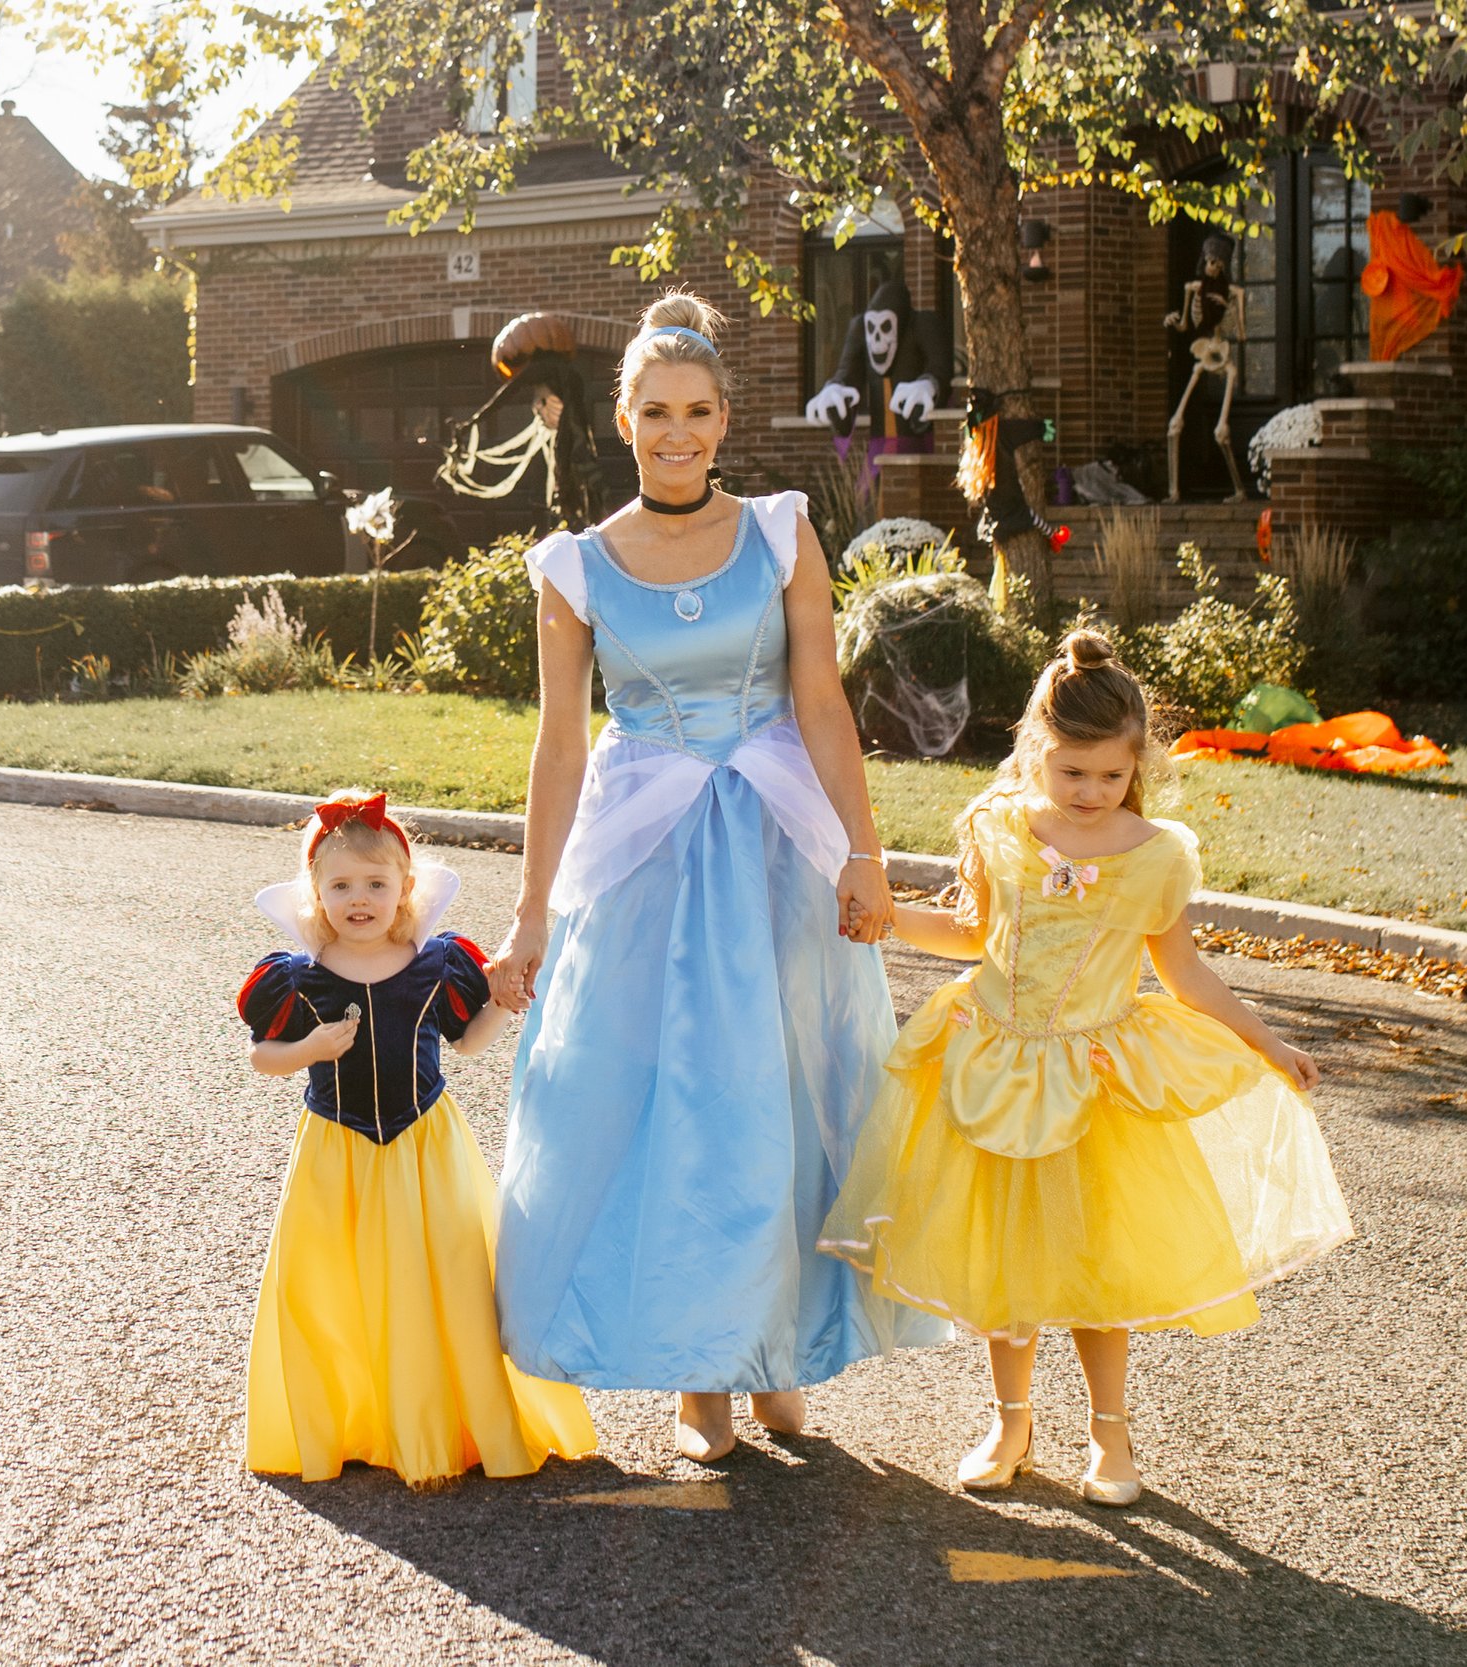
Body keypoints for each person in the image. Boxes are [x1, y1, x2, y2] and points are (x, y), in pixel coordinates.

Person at [489, 292, 947, 1464]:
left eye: (697, 411)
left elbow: (821, 699)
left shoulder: (782, 531)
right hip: (643, 851)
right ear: (624, 417)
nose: (677, 432)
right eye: (655, 413)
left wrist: (863, 848)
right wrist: (532, 912)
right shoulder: (576, 567)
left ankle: (779, 1346)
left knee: (788, 1095)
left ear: (725, 416)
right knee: (672, 1102)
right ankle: (701, 1374)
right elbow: (556, 744)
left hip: (772, 842)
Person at [819, 634, 1353, 1504]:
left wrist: (1267, 1042)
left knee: (1099, 1261)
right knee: (1002, 1263)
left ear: (1136, 760)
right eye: (1073, 774)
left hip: (1094, 1075)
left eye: (1111, 775)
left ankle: (1111, 1435)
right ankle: (1010, 1420)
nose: (1093, 792)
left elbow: (1185, 974)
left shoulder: (1158, 853)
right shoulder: (1001, 829)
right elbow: (972, 935)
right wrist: (889, 917)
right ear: (1037, 750)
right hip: (991, 1059)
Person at [238, 789, 596, 1486]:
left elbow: (465, 1045)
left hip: (425, 1150)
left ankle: (445, 1415)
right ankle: (354, 1416)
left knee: (442, 1280)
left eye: (376, 883)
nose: (360, 898)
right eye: (341, 885)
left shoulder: (435, 965)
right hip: (335, 1154)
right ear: (316, 891)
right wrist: (309, 1045)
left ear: (405, 887)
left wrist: (502, 1001)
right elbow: (262, 1057)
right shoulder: (298, 980)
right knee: (338, 1285)